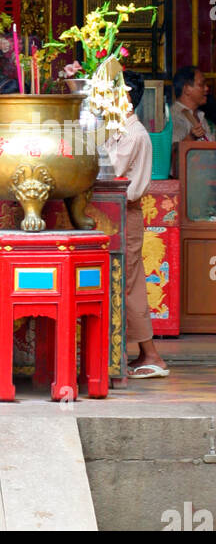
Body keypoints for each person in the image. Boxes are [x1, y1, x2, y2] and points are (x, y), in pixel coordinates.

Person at [106, 69, 169, 379]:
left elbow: (110, 170)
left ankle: (152, 354)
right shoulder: (118, 129)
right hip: (116, 216)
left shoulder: (133, 133)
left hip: (123, 214)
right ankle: (144, 353)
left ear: (126, 96)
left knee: (127, 285)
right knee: (128, 283)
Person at [170, 66, 214, 160]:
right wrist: (191, 137)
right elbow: (171, 153)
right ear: (187, 89)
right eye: (201, 84)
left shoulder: (201, 116)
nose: (206, 88)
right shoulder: (172, 117)